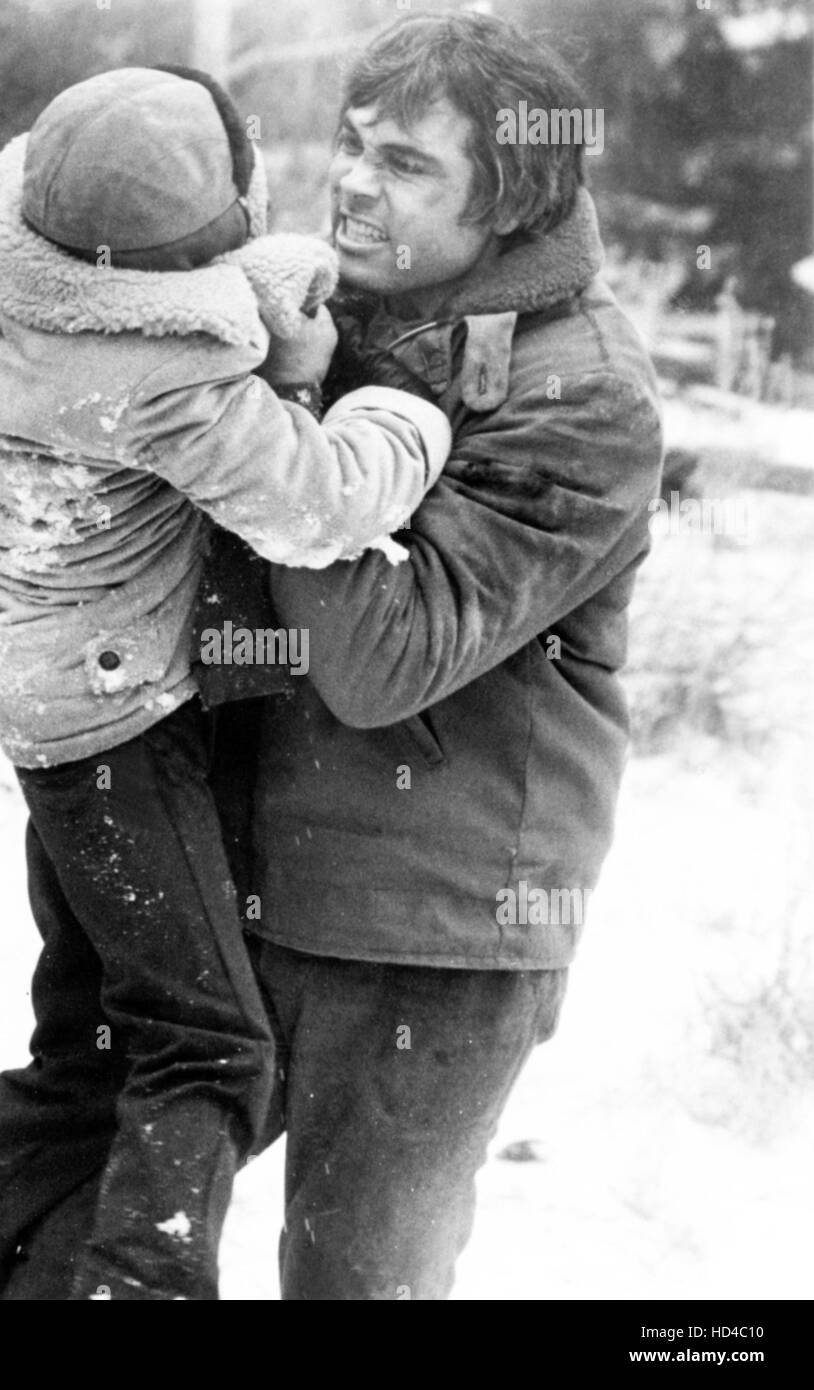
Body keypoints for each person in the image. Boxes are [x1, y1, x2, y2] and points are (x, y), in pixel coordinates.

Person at [0, 65, 450, 1302]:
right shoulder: (160, 376)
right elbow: (318, 504)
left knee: (87, 1052)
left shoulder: (19, 250)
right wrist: (397, 406)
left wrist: (254, 307)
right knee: (210, 1049)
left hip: (48, 696)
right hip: (120, 728)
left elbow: (162, 291)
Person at [242, 10, 665, 1299]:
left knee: (356, 1281)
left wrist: (296, 414)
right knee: (88, 1195)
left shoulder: (580, 394)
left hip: (437, 925)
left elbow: (383, 659)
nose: (356, 183)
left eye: (408, 166)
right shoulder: (353, 298)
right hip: (259, 865)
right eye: (353, 144)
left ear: (510, 204)